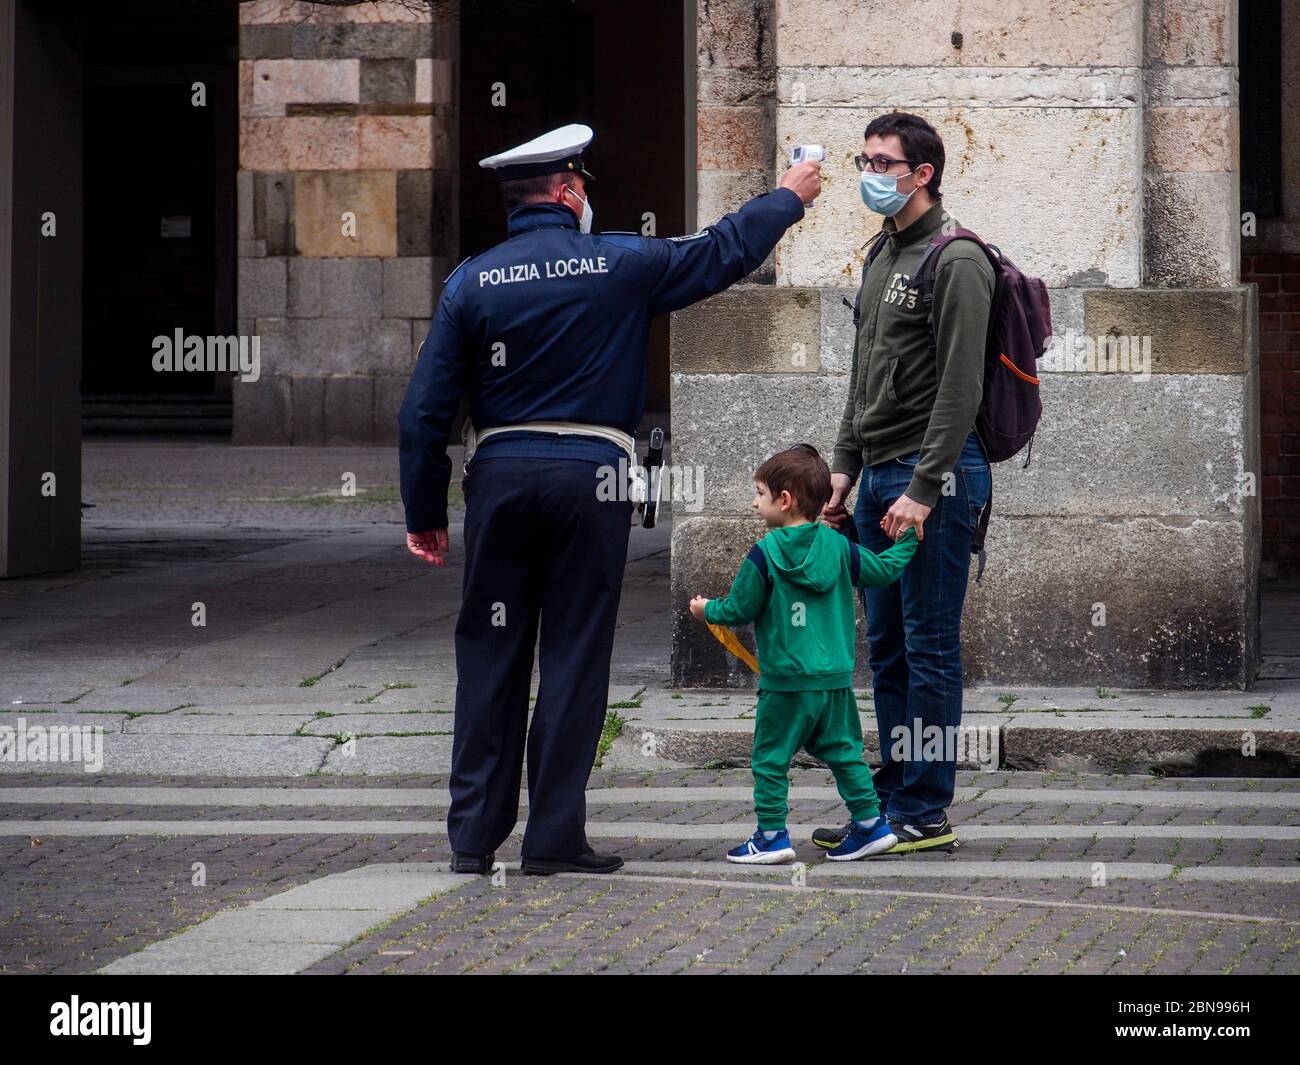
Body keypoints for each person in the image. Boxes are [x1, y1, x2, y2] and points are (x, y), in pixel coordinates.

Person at [399, 123, 822, 876]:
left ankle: (472, 839)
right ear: (567, 191)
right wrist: (787, 199)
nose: (587, 196)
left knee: (490, 653)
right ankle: (554, 834)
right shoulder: (621, 261)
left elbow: (423, 412)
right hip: (591, 478)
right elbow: (721, 249)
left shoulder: (472, 279)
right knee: (572, 652)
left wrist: (424, 512)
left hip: (500, 476)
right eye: (583, 186)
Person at [819, 112, 993, 854]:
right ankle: (889, 797)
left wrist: (924, 487)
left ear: (922, 174)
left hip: (935, 482)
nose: (870, 172)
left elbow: (961, 389)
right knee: (884, 645)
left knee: (928, 645)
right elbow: (865, 376)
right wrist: (842, 466)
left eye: (883, 162)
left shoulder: (956, 261)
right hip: (879, 476)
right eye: (865, 158)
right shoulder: (881, 255)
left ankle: (926, 807)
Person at [688, 444, 918, 864]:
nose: (755, 502)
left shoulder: (765, 554)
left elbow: (738, 609)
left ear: (785, 499)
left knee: (770, 759)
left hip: (785, 683)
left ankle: (772, 836)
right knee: (845, 753)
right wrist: (906, 541)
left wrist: (705, 610)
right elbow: (885, 571)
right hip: (833, 681)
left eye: (759, 493)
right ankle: (870, 825)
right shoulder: (839, 548)